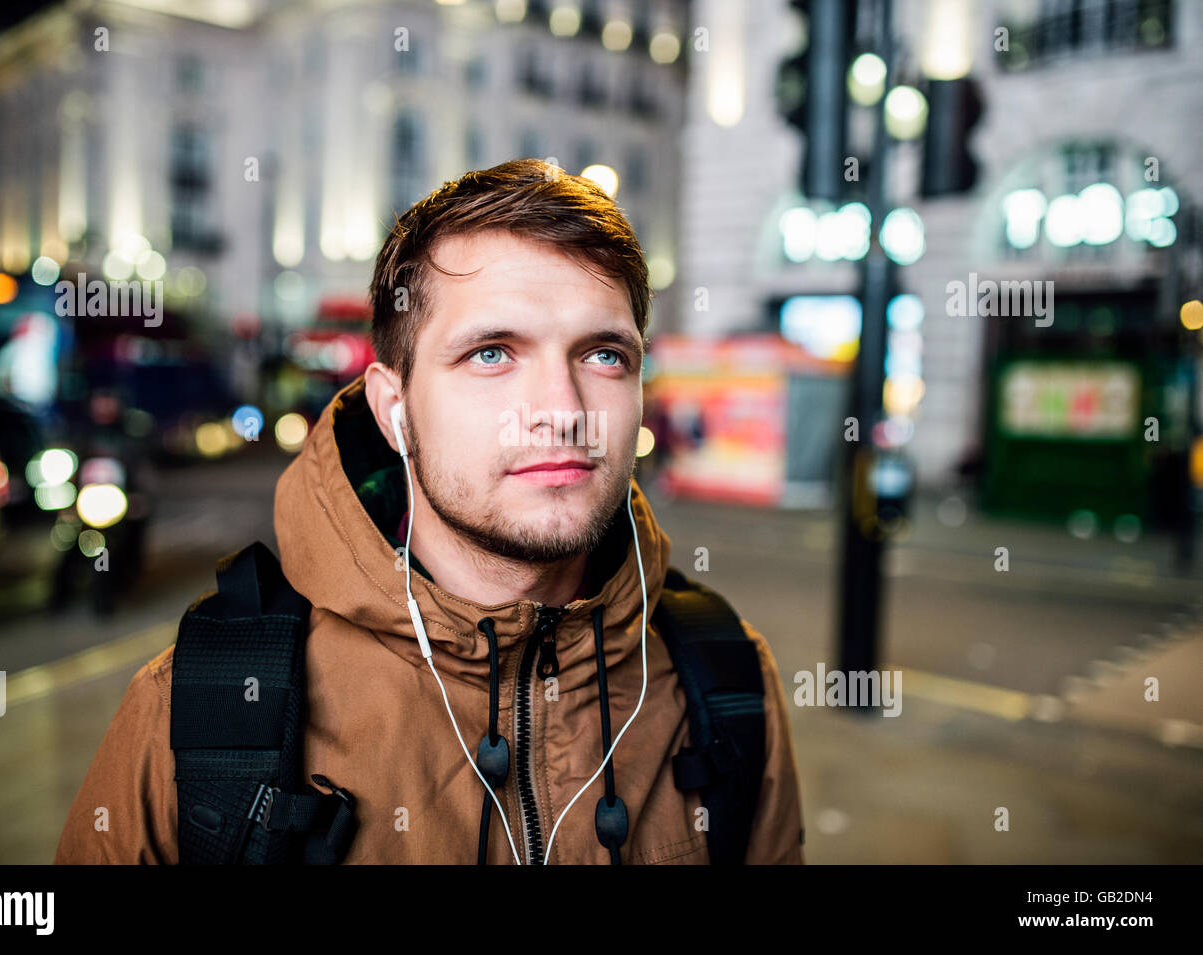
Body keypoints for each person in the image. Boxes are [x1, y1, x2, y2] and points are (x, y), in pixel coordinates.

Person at [54, 159, 804, 865]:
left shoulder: (724, 679)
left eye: (604, 354)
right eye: (491, 353)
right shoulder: (204, 712)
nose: (561, 411)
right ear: (394, 410)